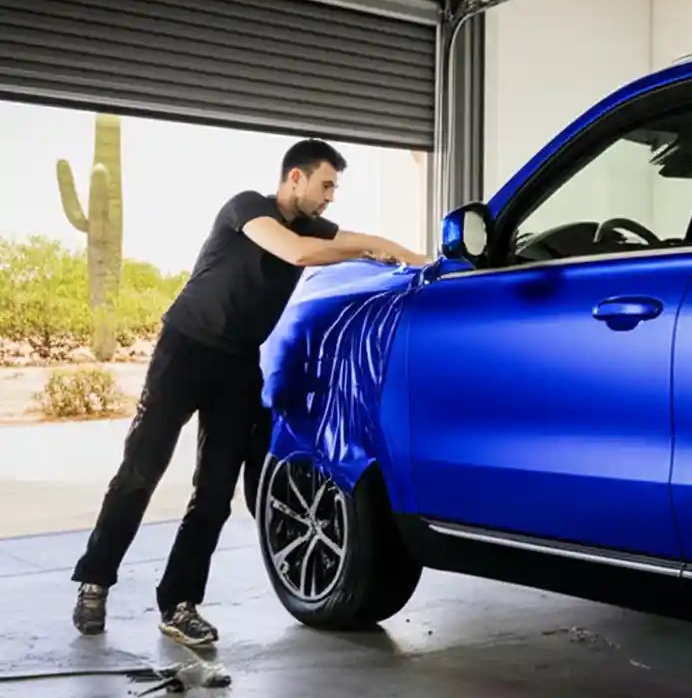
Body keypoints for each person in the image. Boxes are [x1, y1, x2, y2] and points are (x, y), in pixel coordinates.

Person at [70, 138, 429, 646]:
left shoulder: (313, 226)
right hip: (185, 352)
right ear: (295, 178)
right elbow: (299, 253)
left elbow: (365, 238)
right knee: (139, 473)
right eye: (325, 185)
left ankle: (179, 603)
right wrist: (366, 246)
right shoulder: (248, 208)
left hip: (240, 365)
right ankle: (94, 581)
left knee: (215, 494)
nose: (330, 197)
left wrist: (421, 263)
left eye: (334, 188)